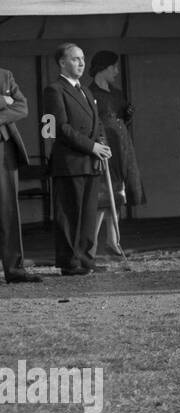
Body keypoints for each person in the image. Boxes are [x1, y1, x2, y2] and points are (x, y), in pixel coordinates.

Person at [42, 44, 111, 275]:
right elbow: (57, 128)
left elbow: (96, 122)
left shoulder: (85, 90)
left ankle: (85, 258)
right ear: (62, 62)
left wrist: (101, 144)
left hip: (90, 161)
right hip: (69, 163)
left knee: (88, 215)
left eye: (82, 59)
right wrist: (92, 146)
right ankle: (70, 262)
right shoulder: (54, 90)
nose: (81, 64)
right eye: (75, 59)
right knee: (70, 215)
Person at [88, 51, 145, 259]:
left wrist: (127, 116)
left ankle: (112, 241)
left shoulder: (116, 92)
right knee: (104, 197)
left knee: (118, 194)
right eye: (113, 67)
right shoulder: (89, 92)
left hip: (122, 148)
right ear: (103, 68)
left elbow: (121, 119)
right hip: (104, 148)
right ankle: (91, 247)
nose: (116, 71)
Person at [0, 65, 41, 283]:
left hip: (3, 150)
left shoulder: (6, 75)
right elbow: (13, 107)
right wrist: (3, 101)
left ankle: (15, 270)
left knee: (8, 210)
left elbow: (23, 107)